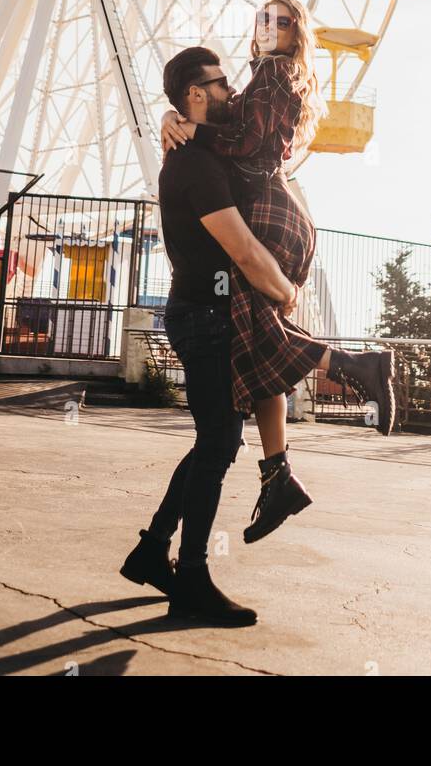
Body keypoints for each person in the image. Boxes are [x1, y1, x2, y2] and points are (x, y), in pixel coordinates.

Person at [158, 0, 396, 543]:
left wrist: (190, 129)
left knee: (254, 324)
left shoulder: (272, 76)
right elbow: (225, 117)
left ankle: (360, 367)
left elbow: (242, 142)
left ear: (296, 34)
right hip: (279, 206)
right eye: (263, 18)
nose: (269, 27)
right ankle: (277, 473)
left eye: (282, 21)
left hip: (270, 211)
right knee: (260, 339)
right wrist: (173, 116)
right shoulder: (259, 81)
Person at [120, 45, 305, 626]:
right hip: (204, 318)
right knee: (218, 443)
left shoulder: (201, 150)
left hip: (207, 315)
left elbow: (259, 140)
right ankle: (191, 579)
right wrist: (284, 291)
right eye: (221, 84)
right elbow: (244, 249)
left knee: (214, 442)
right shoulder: (194, 167)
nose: (233, 92)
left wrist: (175, 122)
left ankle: (154, 552)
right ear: (196, 94)